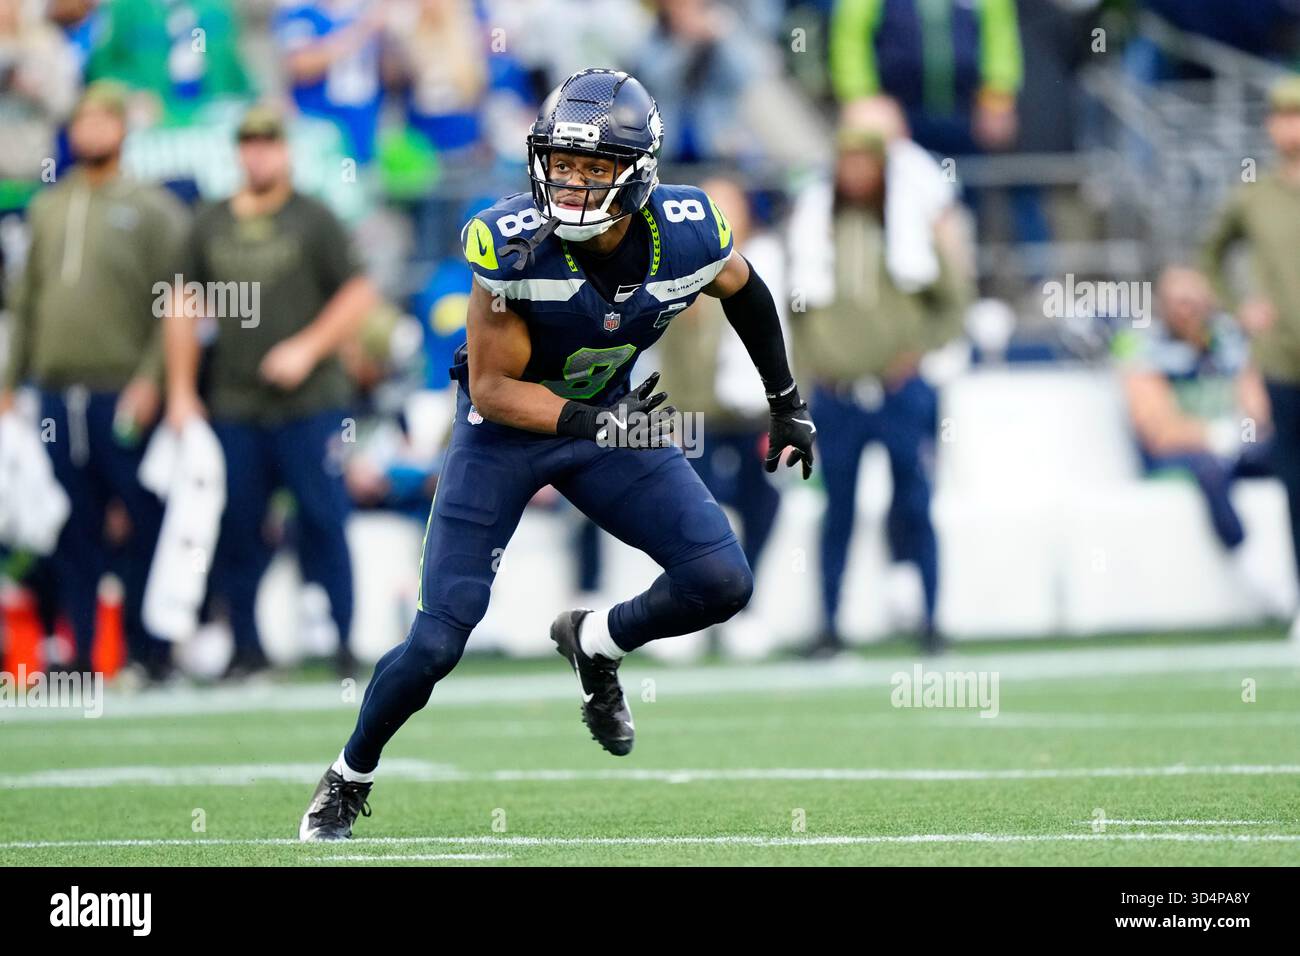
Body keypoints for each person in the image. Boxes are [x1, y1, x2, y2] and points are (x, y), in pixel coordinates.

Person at [298, 69, 816, 841]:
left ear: (637, 173)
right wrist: (591, 423)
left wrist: (787, 404)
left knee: (719, 580)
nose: (572, 184)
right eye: (563, 164)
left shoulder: (687, 230)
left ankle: (595, 641)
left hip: (603, 420)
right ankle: (348, 775)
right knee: (437, 642)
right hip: (505, 436)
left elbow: (744, 289)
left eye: (594, 167)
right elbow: (496, 388)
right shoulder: (511, 245)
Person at [163, 104, 379, 680]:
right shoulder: (209, 221)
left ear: (285, 150)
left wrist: (307, 348)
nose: (258, 153)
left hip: (311, 401)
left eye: (268, 143)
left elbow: (358, 293)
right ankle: (247, 646)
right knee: (237, 526)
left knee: (323, 517)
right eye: (248, 143)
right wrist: (182, 391)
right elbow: (181, 304)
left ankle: (343, 643)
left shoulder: (314, 218)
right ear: (238, 151)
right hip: (234, 400)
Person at [0, 81, 188, 681]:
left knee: (141, 515)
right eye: (83, 121)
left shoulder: (154, 208)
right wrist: (10, 381)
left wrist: (153, 379)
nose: (91, 132)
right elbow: (25, 301)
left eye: (103, 120)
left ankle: (147, 648)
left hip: (122, 387)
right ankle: (80, 651)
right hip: (57, 391)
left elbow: (177, 303)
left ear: (122, 128)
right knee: (67, 521)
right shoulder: (49, 207)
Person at [790, 106, 971, 656]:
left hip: (901, 391)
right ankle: (829, 626)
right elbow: (792, 313)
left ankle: (932, 620)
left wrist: (919, 354)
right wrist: (806, 376)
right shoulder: (814, 223)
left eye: (866, 161)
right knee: (836, 510)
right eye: (847, 161)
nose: (856, 172)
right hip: (837, 395)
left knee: (915, 504)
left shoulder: (911, 222)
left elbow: (953, 301)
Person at [1115, 267, 1278, 608]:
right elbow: (1157, 429)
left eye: (1193, 302)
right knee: (1211, 470)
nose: (1186, 311)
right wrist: (1213, 435)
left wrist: (1244, 434)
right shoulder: (1145, 347)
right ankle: (1252, 567)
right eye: (1177, 302)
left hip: (1229, 447)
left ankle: (1287, 566)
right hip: (1177, 457)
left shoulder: (1227, 343)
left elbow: (1256, 411)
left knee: (1283, 458)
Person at [1203, 76, 1300, 640]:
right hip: (1284, 360)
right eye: (1283, 116)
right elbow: (1209, 256)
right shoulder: (1255, 196)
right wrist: (1242, 306)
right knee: (1295, 483)